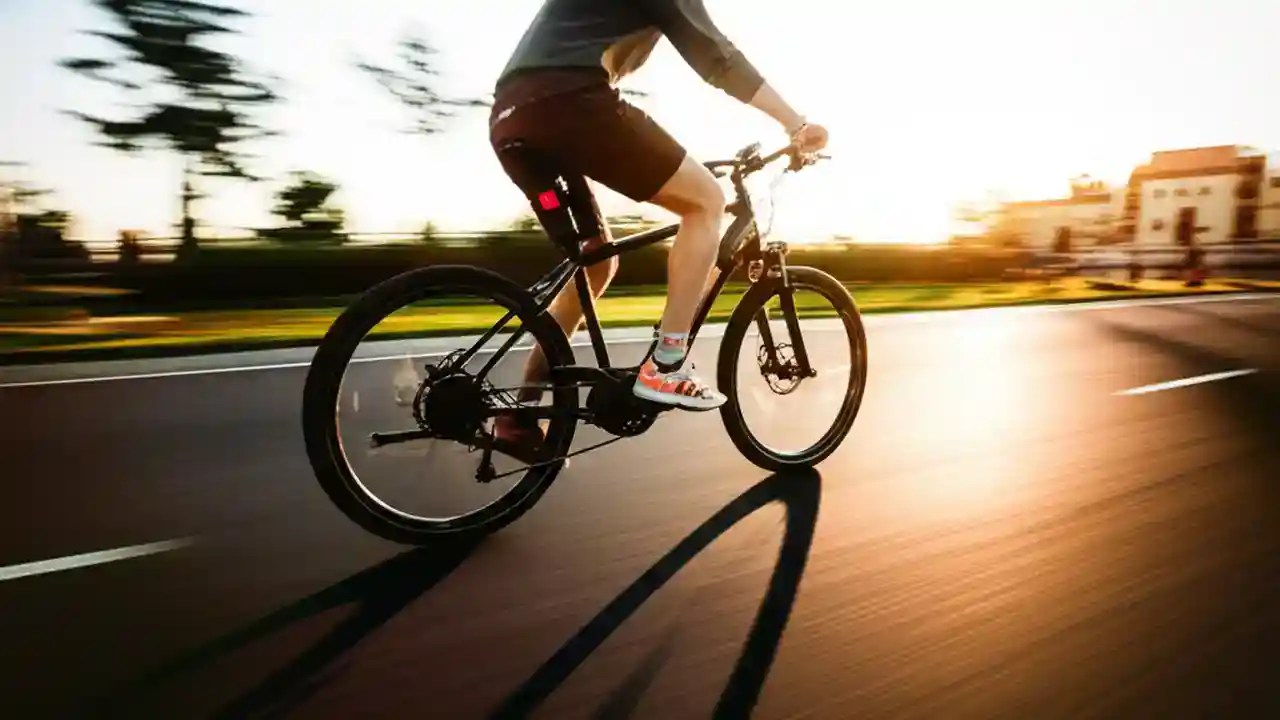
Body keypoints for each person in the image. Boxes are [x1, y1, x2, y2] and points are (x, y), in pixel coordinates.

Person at [488, 0, 828, 460]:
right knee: (705, 202)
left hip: (512, 120)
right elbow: (717, 57)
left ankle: (520, 414)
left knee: (597, 258)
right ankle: (666, 363)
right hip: (571, 101)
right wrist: (795, 122)